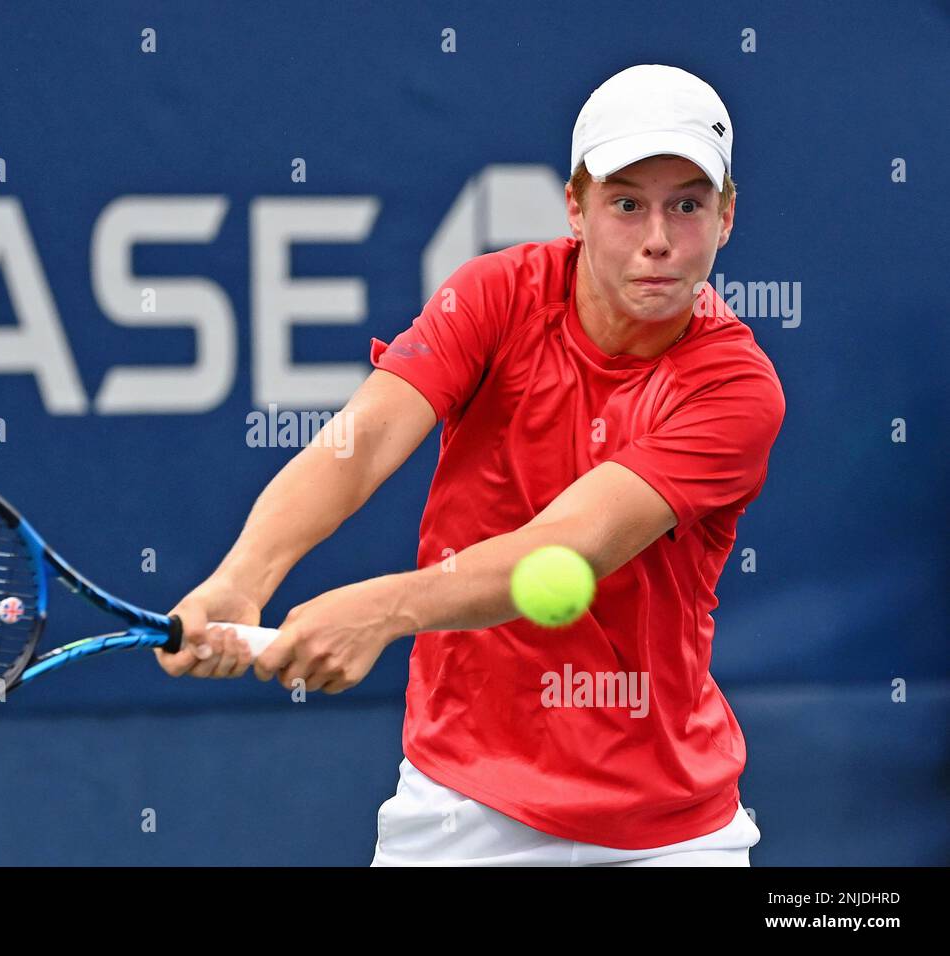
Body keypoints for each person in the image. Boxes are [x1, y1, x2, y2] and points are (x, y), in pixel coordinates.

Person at [155, 64, 784, 866]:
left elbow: (565, 548)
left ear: (726, 216)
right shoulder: (494, 294)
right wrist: (242, 579)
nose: (657, 238)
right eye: (626, 203)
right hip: (458, 806)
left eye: (687, 205)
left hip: (667, 834)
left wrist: (383, 611)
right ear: (576, 209)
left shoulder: (735, 389)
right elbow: (360, 445)